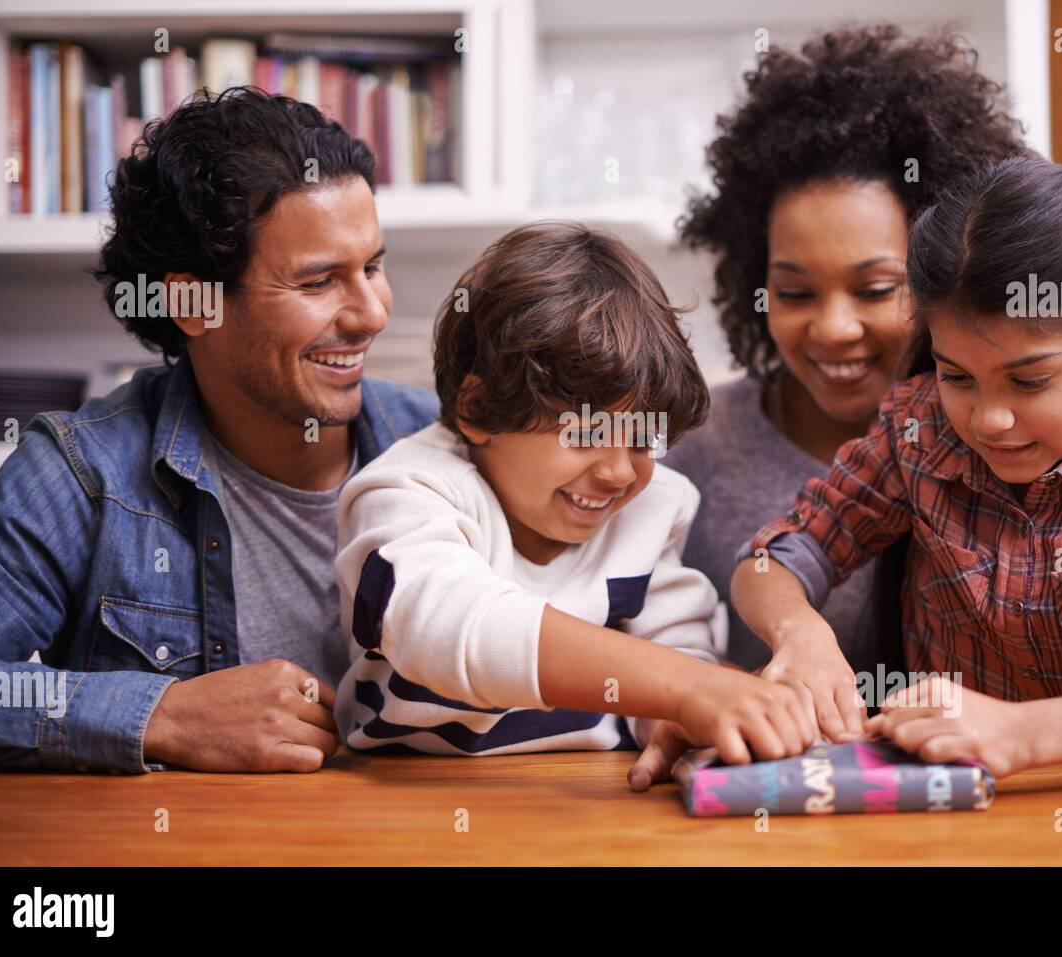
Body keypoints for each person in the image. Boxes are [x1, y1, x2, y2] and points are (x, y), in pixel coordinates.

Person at [722, 155, 1062, 778]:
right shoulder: (918, 428)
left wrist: (1020, 734)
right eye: (957, 376)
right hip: (945, 811)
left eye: (1029, 379)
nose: (989, 420)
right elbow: (771, 558)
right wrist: (799, 633)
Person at [0, 88, 437, 773]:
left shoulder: (438, 444)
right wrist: (162, 714)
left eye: (372, 267)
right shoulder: (80, 472)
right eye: (318, 282)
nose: (371, 314)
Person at [333, 222, 817, 772]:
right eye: (585, 433)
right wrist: (688, 687)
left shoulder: (652, 505)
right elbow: (450, 627)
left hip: (588, 802)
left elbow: (676, 653)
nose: (616, 473)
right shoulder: (406, 493)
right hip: (404, 808)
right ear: (478, 410)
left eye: (642, 438)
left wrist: (679, 719)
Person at [665, 25, 1026, 685]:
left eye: (876, 288)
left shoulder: (1013, 432)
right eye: (796, 291)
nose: (833, 328)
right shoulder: (693, 449)